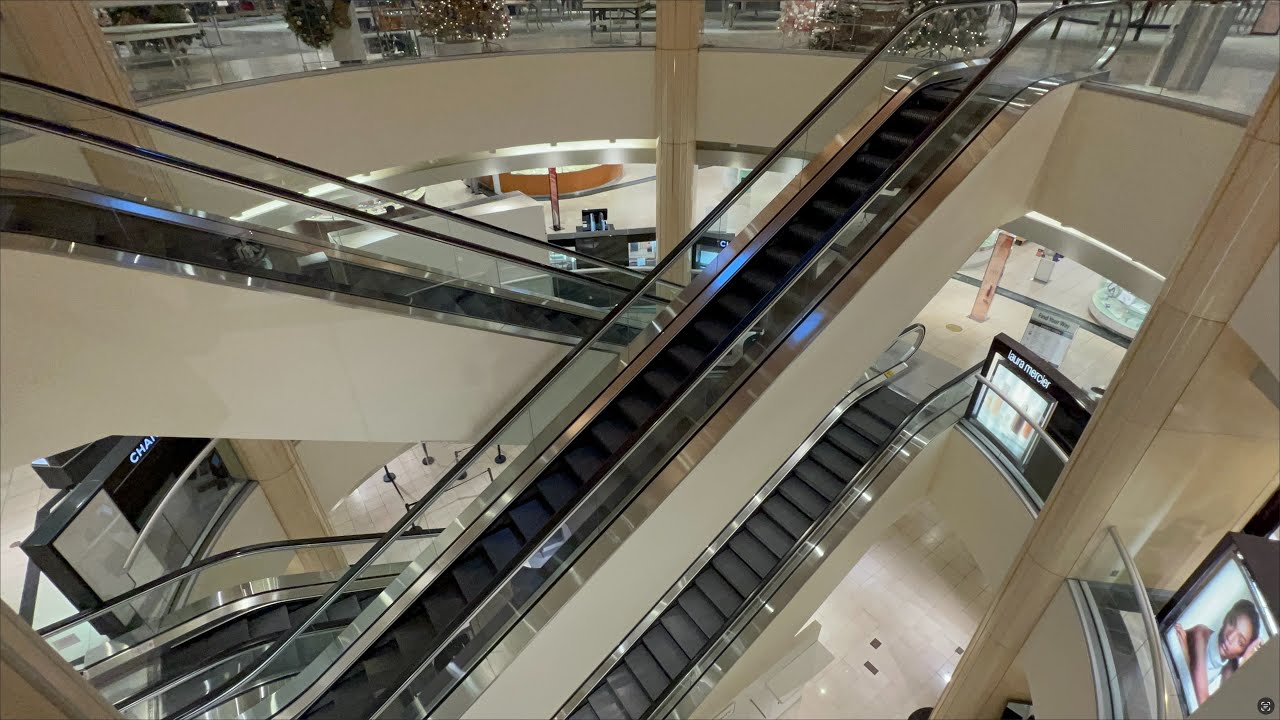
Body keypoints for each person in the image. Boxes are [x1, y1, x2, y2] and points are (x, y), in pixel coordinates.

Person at [1175, 599, 1265, 705]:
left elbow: (1221, 706)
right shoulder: (1200, 634)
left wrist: (1244, 662)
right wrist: (1187, 659)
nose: (1230, 638)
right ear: (1226, 618)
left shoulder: (1230, 664)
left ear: (1241, 653)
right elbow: (1203, 702)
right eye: (1232, 623)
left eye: (1240, 642)